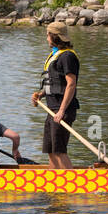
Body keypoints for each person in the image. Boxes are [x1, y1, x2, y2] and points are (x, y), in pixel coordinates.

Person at [32, 21, 80, 170]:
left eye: (48, 35)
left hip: (62, 110)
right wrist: (41, 95)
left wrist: (61, 111)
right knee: (50, 150)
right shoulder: (55, 56)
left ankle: (73, 184)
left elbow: (71, 84)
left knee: (59, 150)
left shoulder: (67, 57)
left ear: (54, 37)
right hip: (51, 109)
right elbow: (55, 83)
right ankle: (55, 185)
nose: (46, 38)